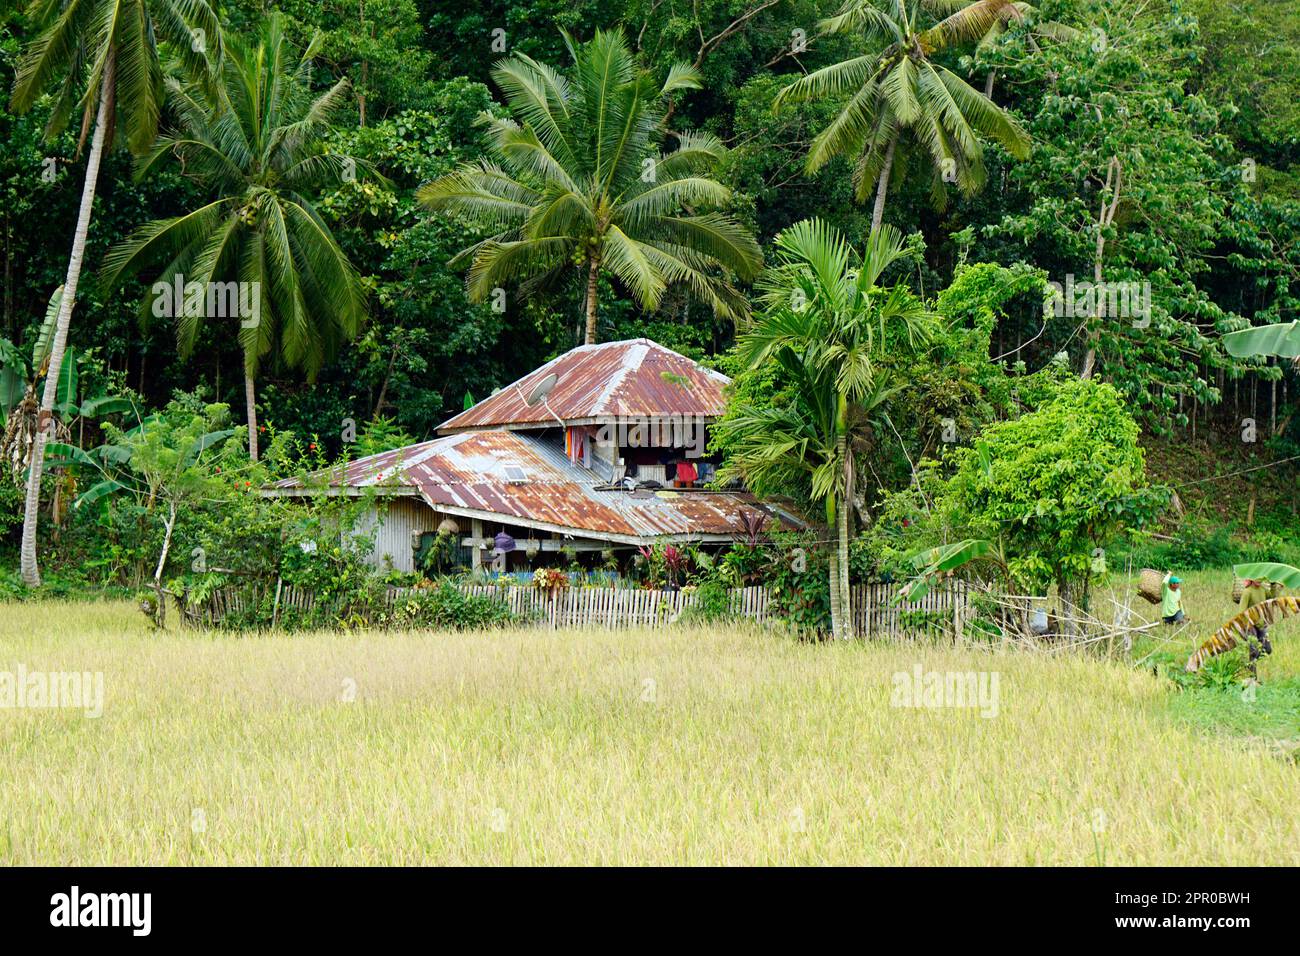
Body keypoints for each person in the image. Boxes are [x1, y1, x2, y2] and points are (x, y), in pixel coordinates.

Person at [1240, 578, 1274, 666]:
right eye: (1256, 578)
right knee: (1253, 652)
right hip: (1250, 625)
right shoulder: (1247, 592)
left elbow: (1272, 599)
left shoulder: (1263, 590)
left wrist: (1274, 585)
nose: (1259, 580)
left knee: (1268, 649)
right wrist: (1246, 626)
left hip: (1261, 623)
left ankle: (1250, 662)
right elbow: (1242, 611)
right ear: (1251, 578)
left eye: (1261, 578)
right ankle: (1251, 673)